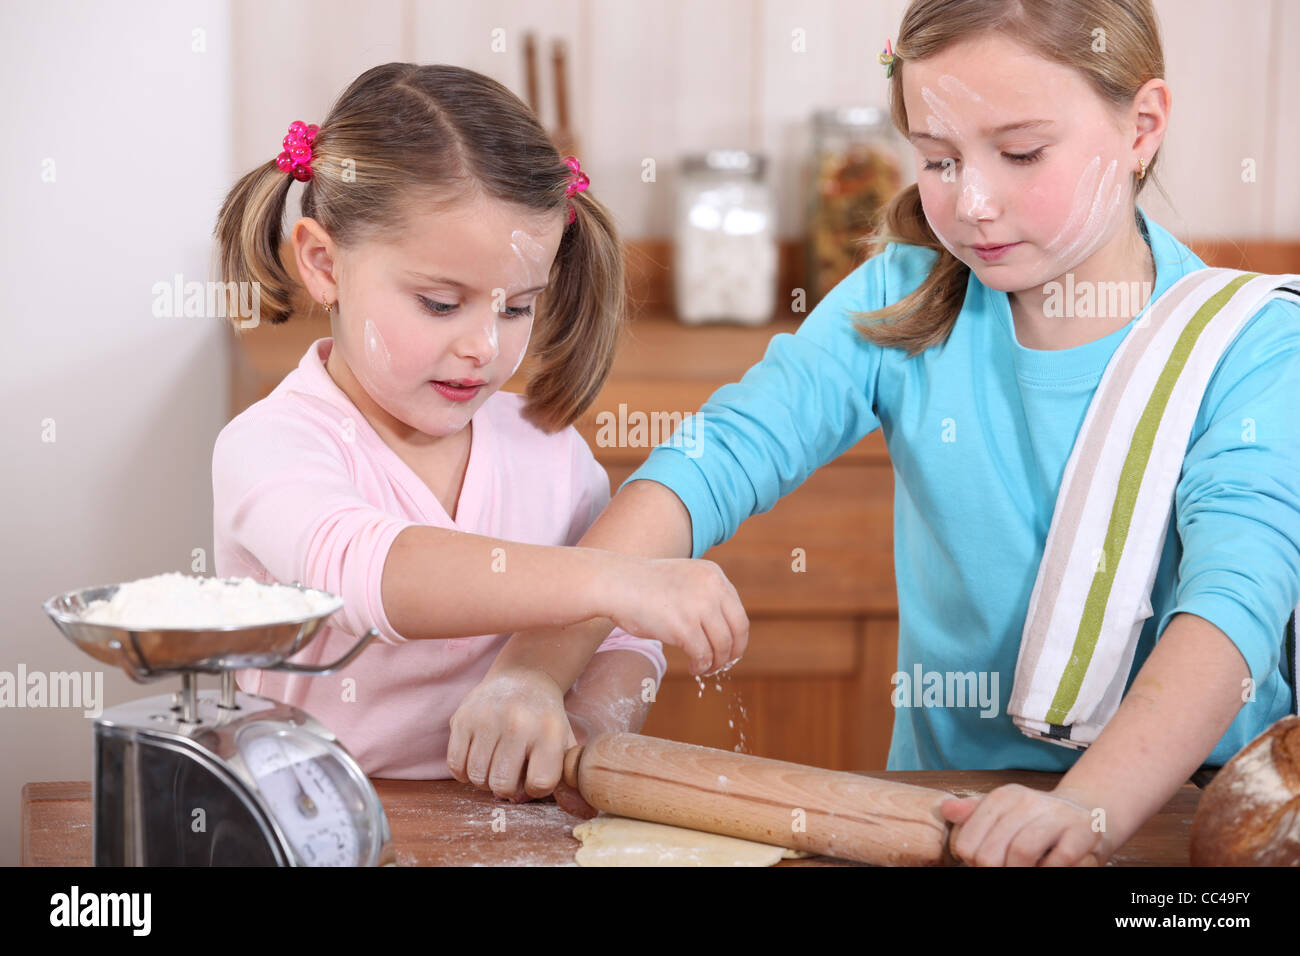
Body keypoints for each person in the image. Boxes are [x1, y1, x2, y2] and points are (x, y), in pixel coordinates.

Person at [451, 0, 1300, 863]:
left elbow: (1233, 609)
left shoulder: (1248, 347)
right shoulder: (906, 295)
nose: (972, 203)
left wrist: (1084, 807)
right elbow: (716, 458)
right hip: (945, 818)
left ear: (1142, 126)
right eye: (939, 158)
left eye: (1020, 153)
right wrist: (533, 672)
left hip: (1195, 820)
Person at [210, 63, 748, 804]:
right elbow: (369, 573)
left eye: (516, 308)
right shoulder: (269, 446)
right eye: (439, 304)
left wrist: (583, 724)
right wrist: (617, 577)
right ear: (323, 263)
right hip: (300, 824)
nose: (484, 348)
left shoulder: (550, 454)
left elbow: (619, 637)